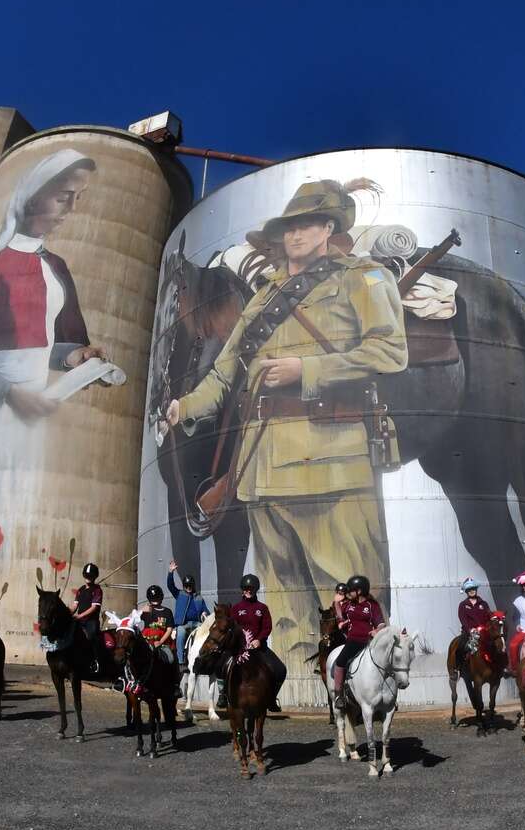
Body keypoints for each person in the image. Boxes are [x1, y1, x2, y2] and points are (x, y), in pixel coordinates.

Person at [162, 179, 408, 673]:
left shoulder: (363, 277)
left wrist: (307, 370)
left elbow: (389, 350)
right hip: (264, 471)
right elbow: (224, 373)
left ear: (329, 228)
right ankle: (298, 693)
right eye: (290, 225)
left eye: (309, 223)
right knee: (287, 612)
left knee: (350, 603)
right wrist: (185, 407)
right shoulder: (262, 300)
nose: (297, 234)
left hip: (333, 465)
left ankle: (361, 706)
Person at [0, 150, 112, 583]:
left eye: (77, 198)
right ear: (32, 198)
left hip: (36, 406)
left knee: (24, 502)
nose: (70, 209)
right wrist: (10, 394)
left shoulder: (55, 266)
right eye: (63, 197)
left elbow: (47, 345)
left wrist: (75, 356)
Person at [331, 575, 386, 708]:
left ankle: (388, 696)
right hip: (352, 641)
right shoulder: (349, 604)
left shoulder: (372, 605)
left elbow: (381, 623)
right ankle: (339, 695)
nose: (348, 593)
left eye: (351, 590)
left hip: (368, 642)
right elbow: (339, 615)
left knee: (386, 662)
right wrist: (337, 603)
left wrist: (376, 631)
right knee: (340, 662)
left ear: (359, 591)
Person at [233, 574, 285, 711]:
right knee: (222, 666)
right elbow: (233, 628)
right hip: (240, 650)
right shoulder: (236, 608)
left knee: (280, 669)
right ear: (242, 590)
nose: (248, 591)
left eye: (251, 588)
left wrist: (259, 640)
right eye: (246, 588)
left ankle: (272, 699)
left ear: (255, 589)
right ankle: (223, 695)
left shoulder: (262, 608)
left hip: (259, 648)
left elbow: (267, 627)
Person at [164, 560, 208, 668]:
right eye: (186, 585)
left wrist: (205, 613)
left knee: (206, 635)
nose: (188, 587)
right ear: (184, 586)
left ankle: (204, 658)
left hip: (197, 623)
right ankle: (181, 661)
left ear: (193, 586)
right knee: (181, 634)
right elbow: (170, 585)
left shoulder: (199, 597)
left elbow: (205, 610)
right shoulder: (179, 594)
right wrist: (170, 572)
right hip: (184, 624)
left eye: (190, 585)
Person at [71, 562, 106, 679]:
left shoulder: (97, 590)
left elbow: (94, 607)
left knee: (91, 637)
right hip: (79, 621)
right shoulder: (80, 590)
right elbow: (74, 606)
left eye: (91, 575)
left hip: (91, 621)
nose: (88, 577)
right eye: (86, 574)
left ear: (95, 576)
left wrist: (79, 616)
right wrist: (67, 613)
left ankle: (95, 661)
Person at [456, 578, 492, 657]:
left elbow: (489, 617)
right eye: (469, 589)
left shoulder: (484, 604)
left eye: (473, 589)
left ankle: (501, 667)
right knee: (460, 646)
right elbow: (463, 619)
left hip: (483, 631)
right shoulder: (463, 605)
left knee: (495, 645)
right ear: (466, 591)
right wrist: (470, 629)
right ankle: (458, 667)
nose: (471, 591)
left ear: (476, 589)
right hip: (469, 632)